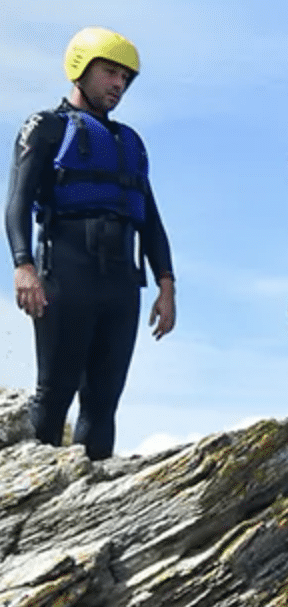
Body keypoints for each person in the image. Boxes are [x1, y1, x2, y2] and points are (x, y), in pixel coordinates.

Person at [6, 27, 176, 461]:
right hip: (65, 274)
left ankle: (92, 496)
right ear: (80, 69)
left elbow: (150, 219)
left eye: (125, 77)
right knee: (55, 391)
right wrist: (23, 265)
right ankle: (32, 504)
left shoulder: (130, 142)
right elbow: (17, 202)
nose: (118, 84)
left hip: (121, 283)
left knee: (103, 402)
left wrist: (166, 285)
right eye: (109, 73)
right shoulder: (45, 126)